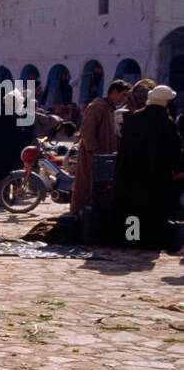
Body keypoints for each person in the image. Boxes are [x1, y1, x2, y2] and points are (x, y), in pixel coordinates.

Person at [112, 85, 181, 251]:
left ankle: (132, 238)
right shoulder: (167, 124)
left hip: (131, 174)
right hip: (157, 176)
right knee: (154, 210)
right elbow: (174, 151)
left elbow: (124, 147)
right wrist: (177, 169)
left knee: (133, 208)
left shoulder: (135, 118)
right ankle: (151, 241)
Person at [70, 79, 129, 214]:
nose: (123, 98)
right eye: (123, 94)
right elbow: (87, 131)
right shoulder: (98, 106)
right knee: (87, 187)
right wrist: (95, 151)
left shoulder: (110, 108)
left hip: (104, 158)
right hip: (93, 157)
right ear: (114, 92)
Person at [0, 90, 34, 207]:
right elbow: (21, 136)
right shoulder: (16, 116)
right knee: (7, 175)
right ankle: (4, 199)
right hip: (9, 152)